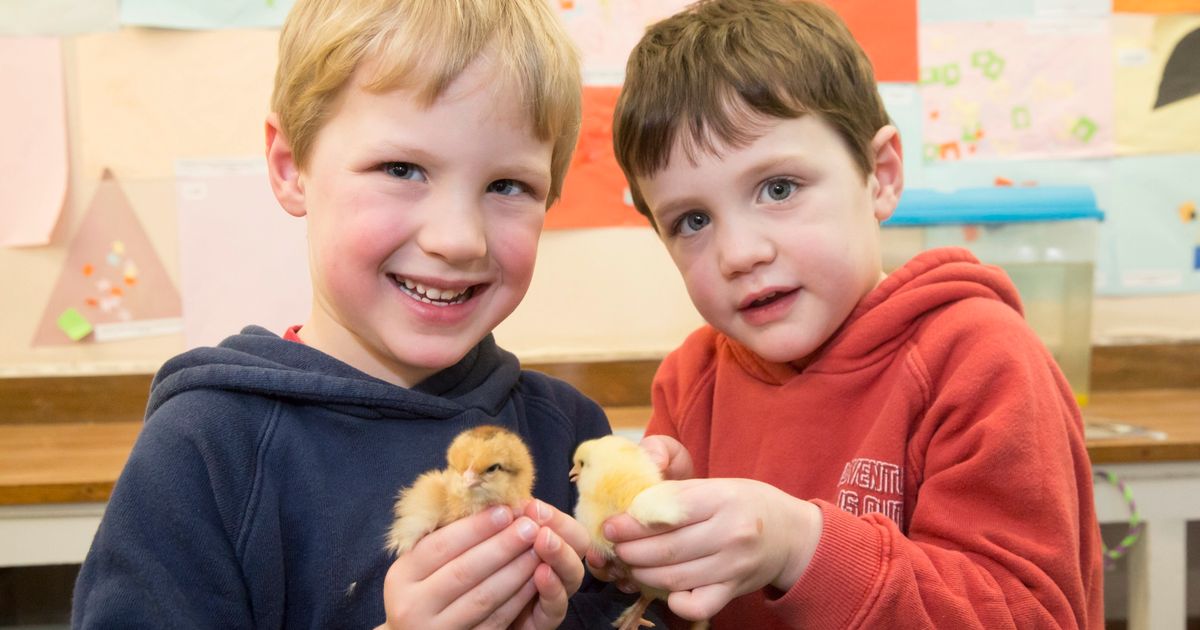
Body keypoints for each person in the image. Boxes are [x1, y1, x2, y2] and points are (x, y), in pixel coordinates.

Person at [72, 0, 641, 627]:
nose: (459, 239)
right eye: (401, 169)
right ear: (291, 168)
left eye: (508, 186)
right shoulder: (204, 451)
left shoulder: (570, 432)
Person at [597, 0, 1105, 628]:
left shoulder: (982, 361)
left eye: (778, 188)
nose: (739, 253)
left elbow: (1029, 615)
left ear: (882, 176)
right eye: (692, 221)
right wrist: (636, 562)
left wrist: (800, 547)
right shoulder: (691, 380)